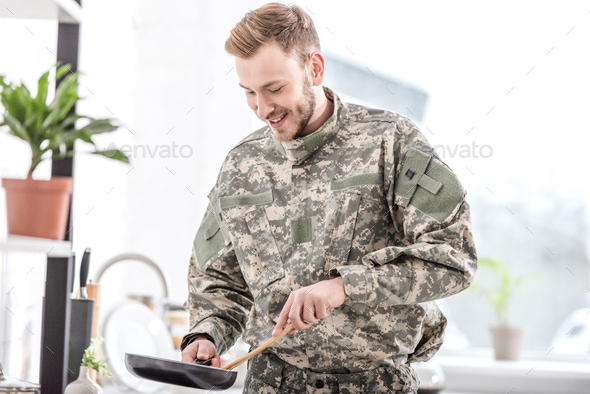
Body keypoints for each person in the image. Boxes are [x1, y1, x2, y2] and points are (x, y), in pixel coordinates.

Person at [180, 3, 478, 393]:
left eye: (274, 88)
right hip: (271, 382)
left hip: (377, 383)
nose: (262, 108)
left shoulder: (391, 142)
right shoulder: (241, 165)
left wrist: (343, 286)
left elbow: (454, 257)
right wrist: (206, 335)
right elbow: (217, 279)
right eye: (249, 92)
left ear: (315, 69)